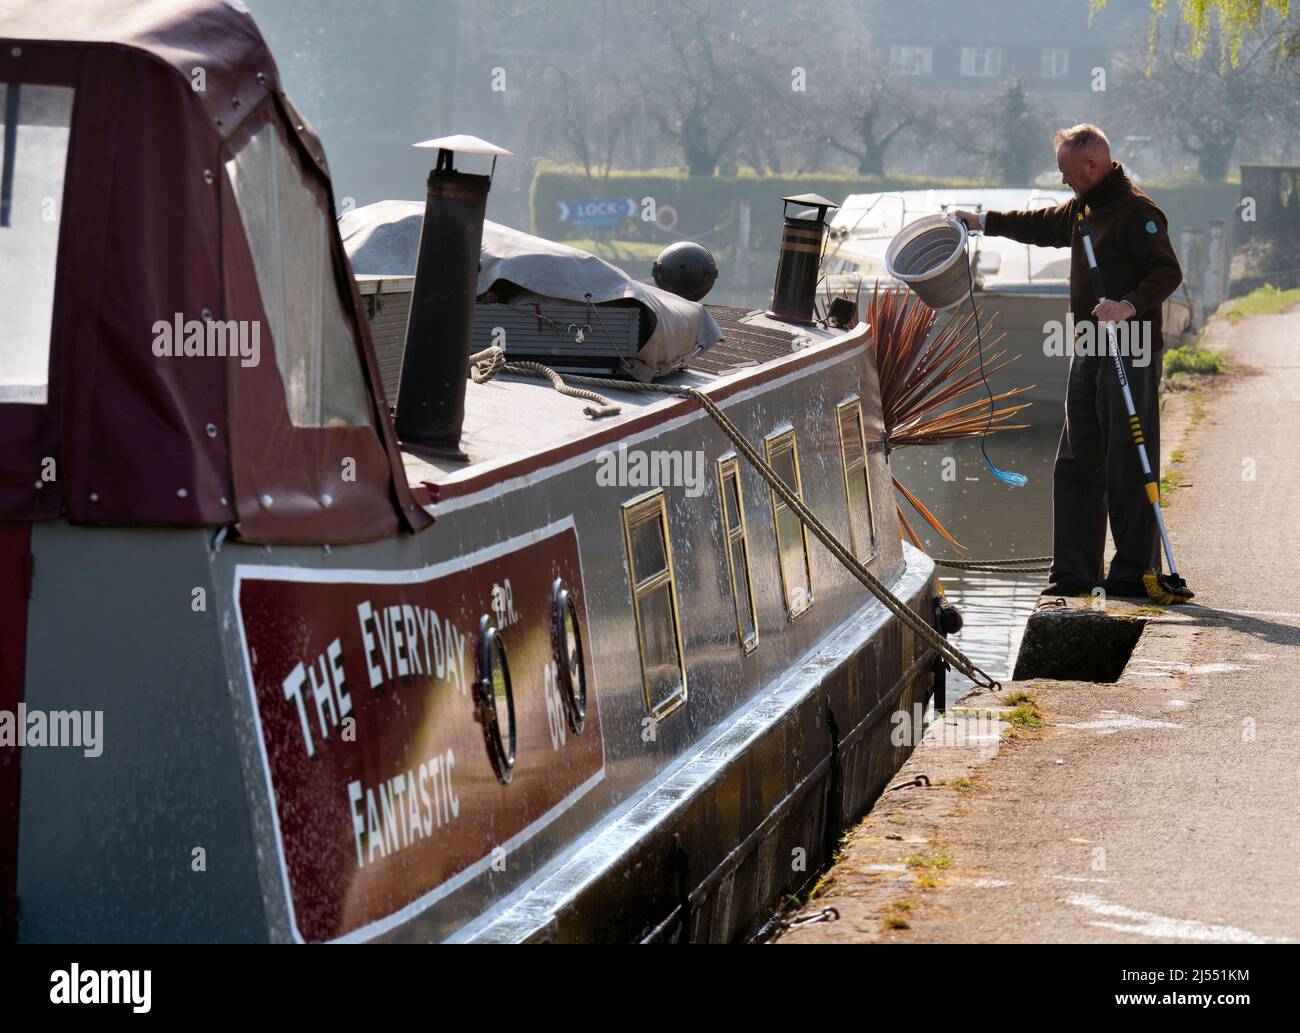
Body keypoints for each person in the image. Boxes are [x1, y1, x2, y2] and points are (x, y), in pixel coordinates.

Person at [953, 124, 1183, 597]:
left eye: (1067, 172)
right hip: (1088, 343)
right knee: (1077, 457)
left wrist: (1128, 305)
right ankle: (1074, 573)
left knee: (1126, 457)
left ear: (1092, 167)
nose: (1063, 181)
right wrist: (983, 221)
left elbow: (1168, 271)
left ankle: (1133, 573)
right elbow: (1038, 224)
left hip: (1131, 344)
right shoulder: (1083, 209)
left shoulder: (1139, 213)